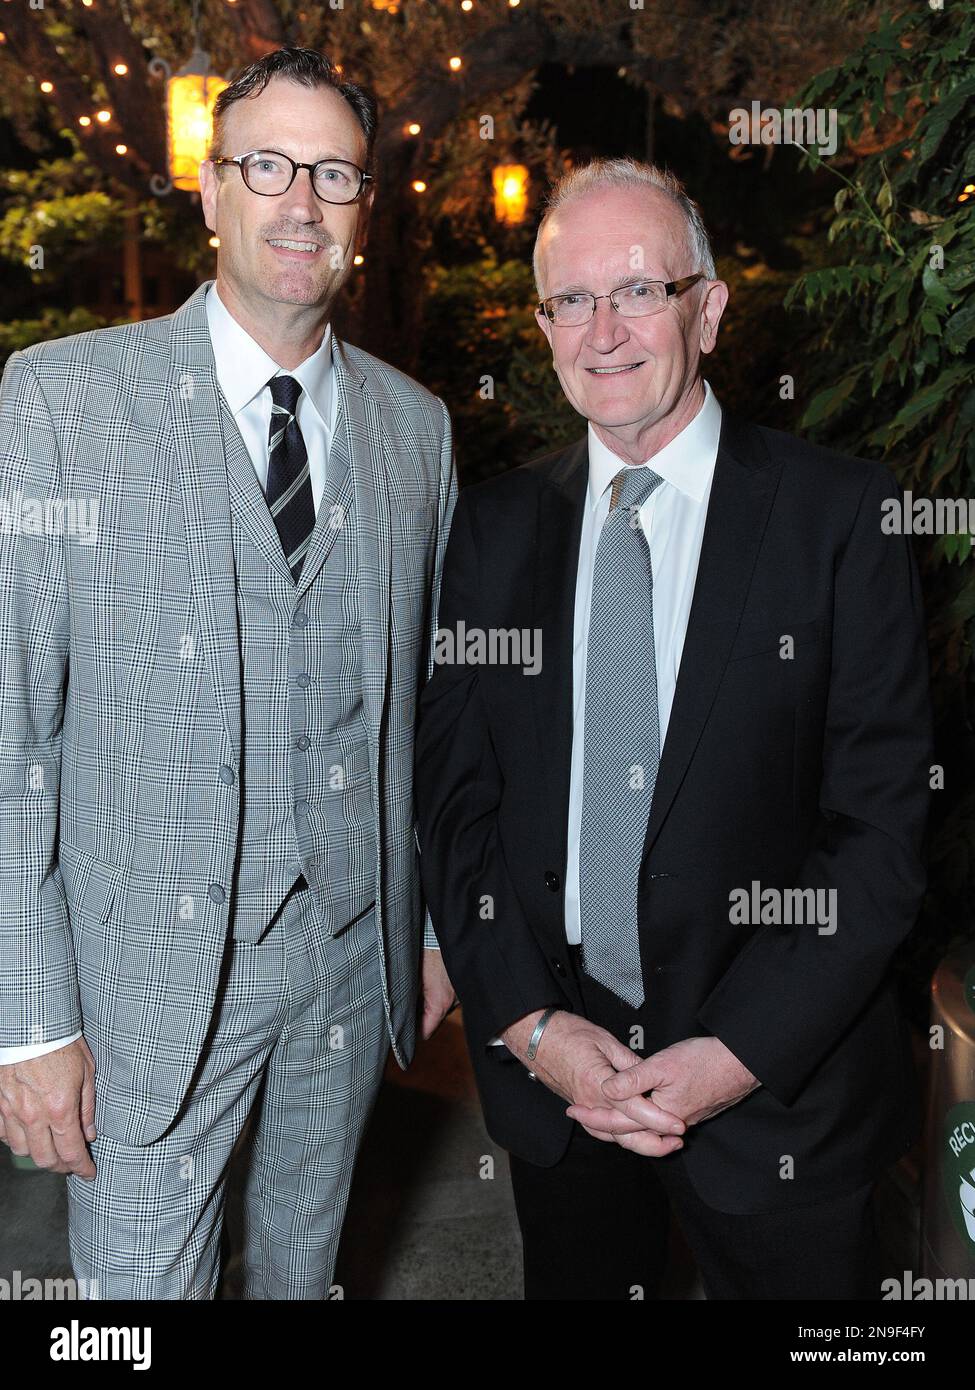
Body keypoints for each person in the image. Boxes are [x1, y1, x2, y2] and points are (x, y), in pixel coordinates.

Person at [415, 157, 932, 1301]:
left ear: (708, 307)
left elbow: (882, 832)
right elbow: (457, 813)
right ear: (542, 322)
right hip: (564, 1101)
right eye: (570, 299)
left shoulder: (840, 518)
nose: (603, 331)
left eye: (640, 289)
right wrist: (534, 1028)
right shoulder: (493, 534)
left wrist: (735, 1056)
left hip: (782, 1097)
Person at [0, 45, 456, 1299]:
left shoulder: (420, 432)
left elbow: (418, 708)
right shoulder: (59, 403)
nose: (300, 201)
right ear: (210, 192)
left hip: (348, 970)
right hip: (143, 973)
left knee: (306, 1274)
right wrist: (31, 1022)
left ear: (366, 206)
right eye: (268, 165)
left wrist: (419, 927)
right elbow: (10, 737)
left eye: (335, 173)